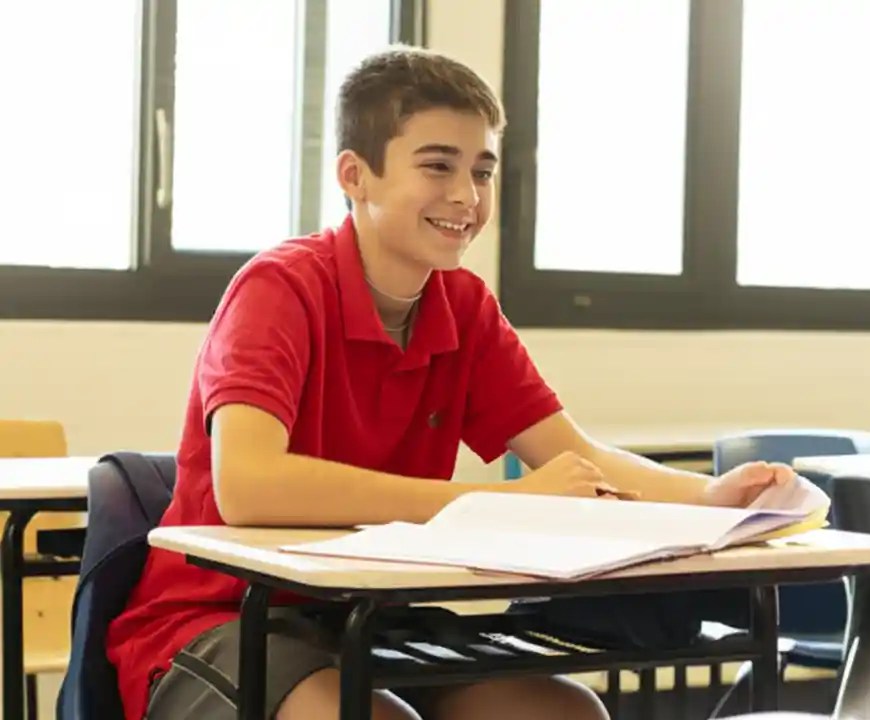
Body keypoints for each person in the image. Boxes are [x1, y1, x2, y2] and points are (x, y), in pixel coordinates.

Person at [105, 46, 796, 720]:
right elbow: (250, 486)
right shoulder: (279, 289)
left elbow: (573, 458)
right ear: (356, 175)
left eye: (483, 171)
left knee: (563, 712)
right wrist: (496, 503)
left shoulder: (464, 306)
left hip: (367, 614)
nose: (466, 196)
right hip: (218, 619)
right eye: (438, 166)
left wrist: (711, 500)